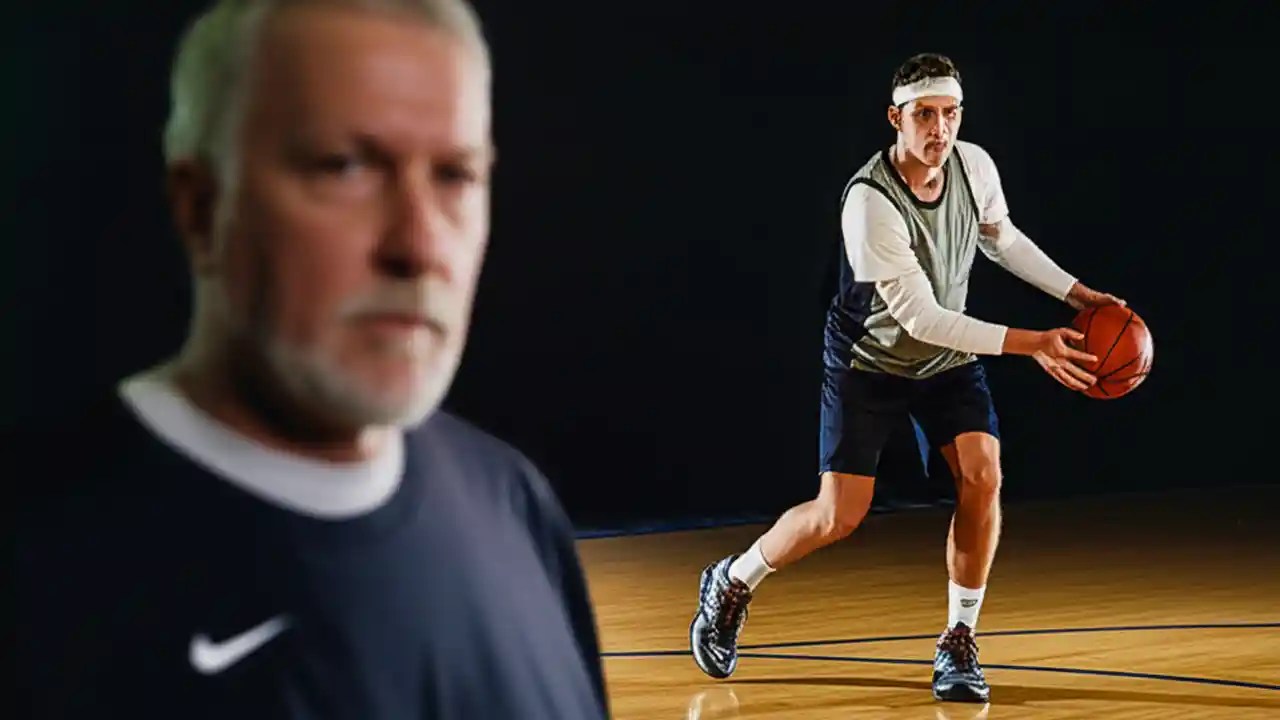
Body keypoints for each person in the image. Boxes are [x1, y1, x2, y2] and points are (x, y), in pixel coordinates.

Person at [14, 1, 610, 718]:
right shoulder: (36, 571)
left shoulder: (512, 504)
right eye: (346, 166)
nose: (419, 246)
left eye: (455, 176)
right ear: (200, 206)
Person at [689, 52, 1126, 703]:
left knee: (984, 475)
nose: (940, 129)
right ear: (895, 118)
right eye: (925, 114)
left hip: (946, 360)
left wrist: (1077, 294)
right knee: (840, 515)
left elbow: (1000, 239)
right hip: (870, 362)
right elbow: (921, 317)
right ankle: (732, 580)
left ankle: (958, 640)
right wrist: (1033, 342)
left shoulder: (973, 167)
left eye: (951, 113)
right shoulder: (869, 203)